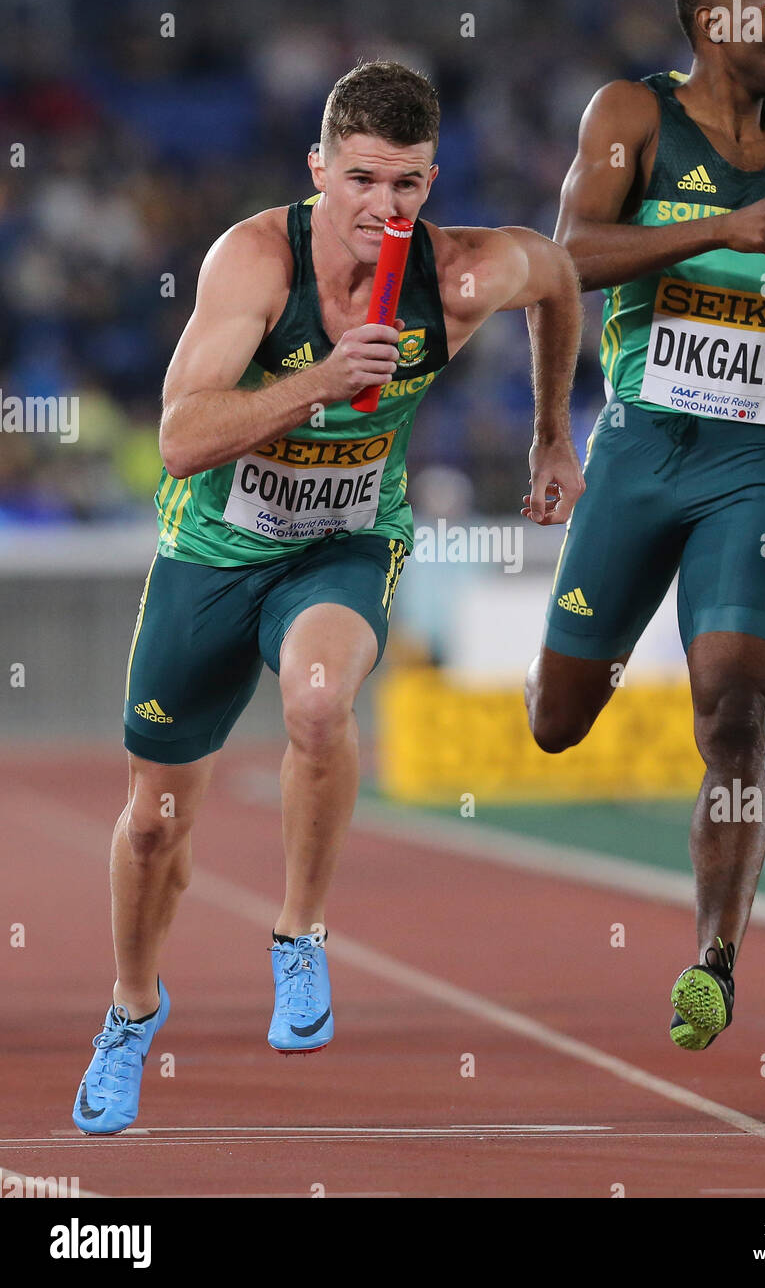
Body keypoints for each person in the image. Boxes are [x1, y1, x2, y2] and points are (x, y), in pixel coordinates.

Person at [73, 60, 584, 1134]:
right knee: (159, 823)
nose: (381, 207)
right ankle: (130, 1009)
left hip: (345, 543)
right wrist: (315, 380)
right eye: (359, 179)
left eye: (404, 184)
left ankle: (298, 934)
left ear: (431, 181)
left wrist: (550, 432)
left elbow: (558, 276)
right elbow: (175, 439)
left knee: (316, 704)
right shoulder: (255, 262)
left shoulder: (456, 280)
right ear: (318, 170)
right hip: (214, 549)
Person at [523, 0, 765, 1050]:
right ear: (715, 27)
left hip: (748, 464)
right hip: (638, 454)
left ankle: (712, 957)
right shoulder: (630, 114)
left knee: (736, 715)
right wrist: (718, 227)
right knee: (556, 725)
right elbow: (567, 254)